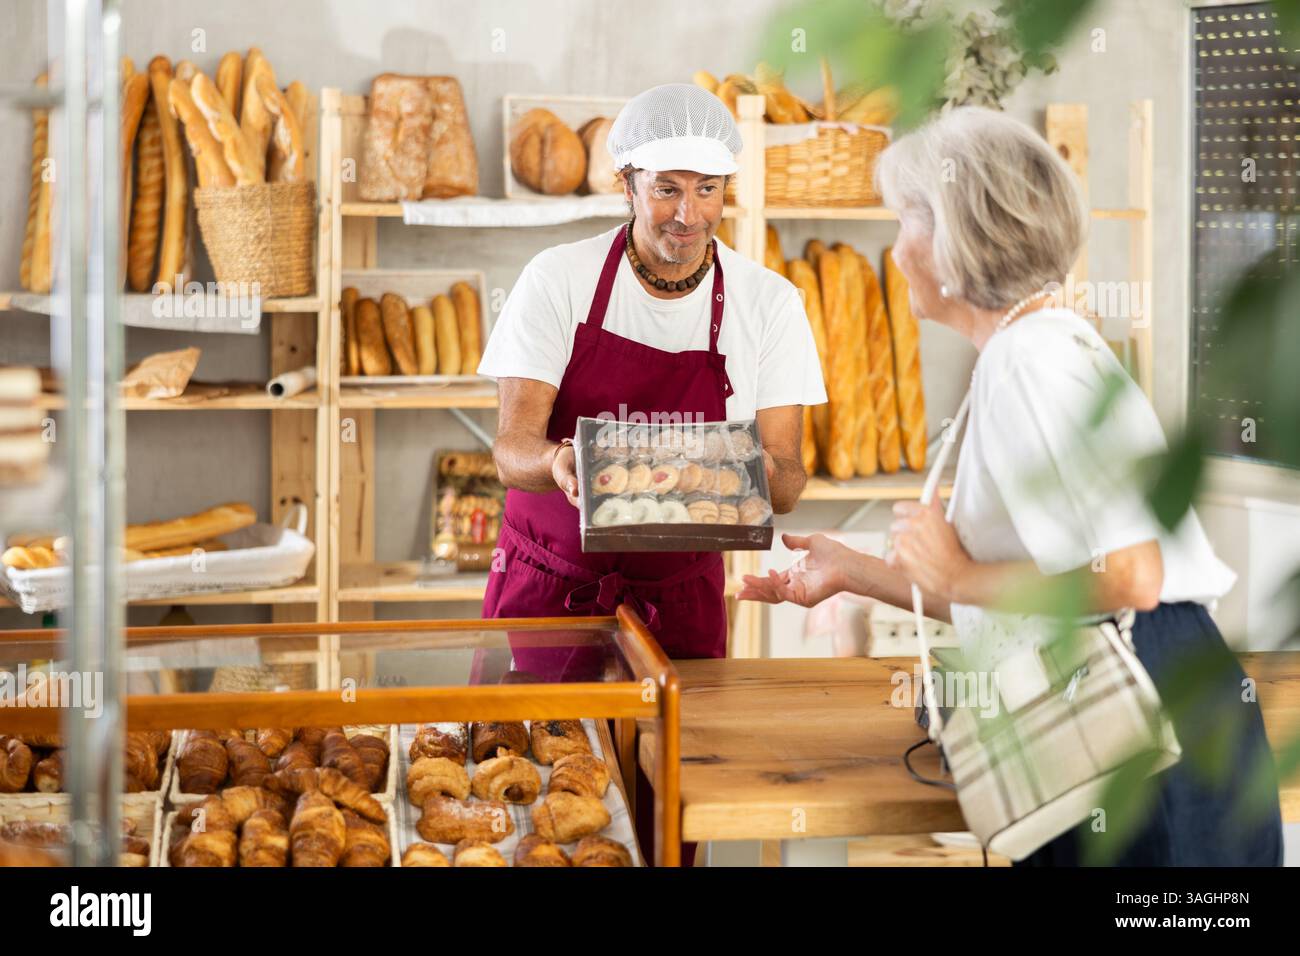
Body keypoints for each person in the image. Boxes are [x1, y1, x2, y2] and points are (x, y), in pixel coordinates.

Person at [739, 106, 1283, 866]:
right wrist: (853, 571)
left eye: (906, 224)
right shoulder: (1040, 346)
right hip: (1154, 700)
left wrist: (957, 571)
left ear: (958, 240)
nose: (896, 256)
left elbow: (1132, 575)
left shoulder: (1027, 361)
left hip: (1139, 723)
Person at [479, 83, 826, 661]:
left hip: (680, 601)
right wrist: (555, 462)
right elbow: (509, 451)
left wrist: (759, 472)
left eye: (707, 190)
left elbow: (788, 482)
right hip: (553, 591)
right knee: (538, 750)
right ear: (627, 184)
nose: (688, 215)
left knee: (683, 753)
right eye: (666, 189)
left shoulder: (771, 303)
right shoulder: (557, 279)